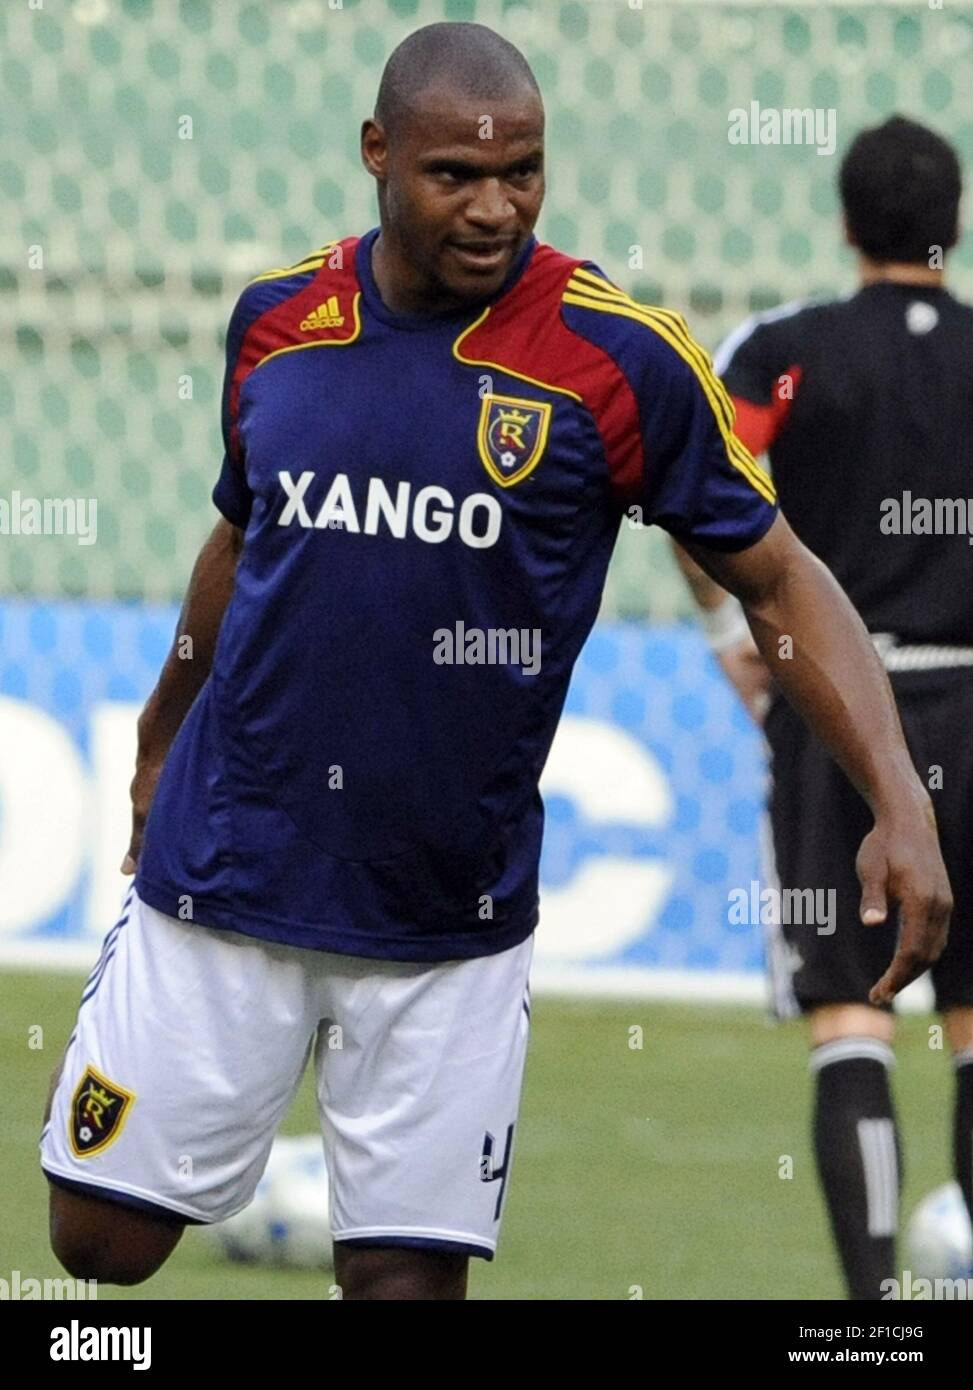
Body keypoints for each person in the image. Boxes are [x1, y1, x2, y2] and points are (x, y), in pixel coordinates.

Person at [41, 30, 949, 1301]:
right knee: (98, 1246)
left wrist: (896, 797)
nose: (493, 206)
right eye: (454, 175)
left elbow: (782, 578)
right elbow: (243, 534)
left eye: (521, 172)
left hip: (448, 914)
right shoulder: (278, 322)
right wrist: (155, 733)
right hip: (233, 862)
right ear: (377, 155)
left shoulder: (619, 359)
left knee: (405, 1290)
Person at [673, 115, 973, 1300]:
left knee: (851, 1015)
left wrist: (728, 638)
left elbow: (707, 495)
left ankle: (874, 1319)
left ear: (845, 224)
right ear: (952, 227)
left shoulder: (784, 354)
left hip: (841, 719)